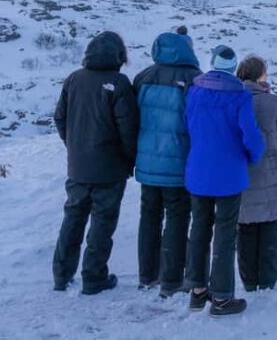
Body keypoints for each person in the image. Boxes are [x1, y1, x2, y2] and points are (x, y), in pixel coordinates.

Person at [52, 31, 139, 295]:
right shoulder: (119, 82)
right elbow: (128, 128)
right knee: (102, 222)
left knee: (73, 218)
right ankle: (93, 276)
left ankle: (61, 275)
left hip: (78, 166)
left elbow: (60, 118)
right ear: (119, 55)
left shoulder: (73, 79)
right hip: (109, 168)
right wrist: (129, 159)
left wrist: (75, 146)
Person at [183, 45, 265, 317]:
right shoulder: (239, 96)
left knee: (199, 230)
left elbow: (188, 125)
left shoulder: (194, 91)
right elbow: (250, 136)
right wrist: (254, 155)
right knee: (225, 234)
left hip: (198, 171)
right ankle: (222, 297)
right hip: (229, 174)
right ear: (232, 68)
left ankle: (197, 291)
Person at [133, 29, 201, 298]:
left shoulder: (143, 77)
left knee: (149, 216)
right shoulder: (193, 79)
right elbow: (196, 123)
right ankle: (172, 279)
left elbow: (131, 118)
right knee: (177, 216)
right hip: (179, 162)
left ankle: (147, 275)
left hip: (147, 162)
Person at [234, 55, 277, 292]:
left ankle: (249, 280)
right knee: (271, 227)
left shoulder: (231, 99)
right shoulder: (272, 102)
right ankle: (268, 280)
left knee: (246, 228)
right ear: (260, 75)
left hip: (241, 172)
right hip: (271, 172)